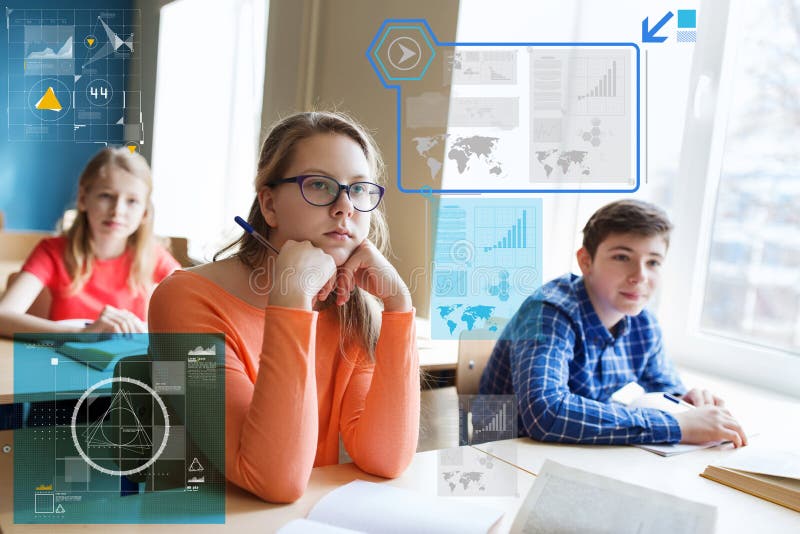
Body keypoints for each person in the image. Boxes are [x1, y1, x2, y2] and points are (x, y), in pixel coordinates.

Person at [148, 111, 419, 503]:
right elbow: (275, 479)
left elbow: (385, 459)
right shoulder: (185, 299)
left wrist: (398, 306)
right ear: (269, 205)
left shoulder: (351, 308)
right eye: (320, 185)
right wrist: (292, 299)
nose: (345, 207)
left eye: (359, 189)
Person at [479, 199, 748, 447]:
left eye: (653, 262)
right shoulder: (548, 312)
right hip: (501, 457)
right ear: (586, 261)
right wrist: (676, 424)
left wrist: (687, 403)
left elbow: (665, 387)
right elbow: (545, 414)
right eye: (622, 257)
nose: (639, 276)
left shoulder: (642, 323)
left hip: (570, 456)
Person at [0, 147, 180, 337]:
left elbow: (196, 302)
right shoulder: (52, 252)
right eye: (106, 196)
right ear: (83, 199)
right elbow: (3, 317)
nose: (117, 210)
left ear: (145, 212)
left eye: (132, 201)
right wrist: (82, 333)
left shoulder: (155, 257)